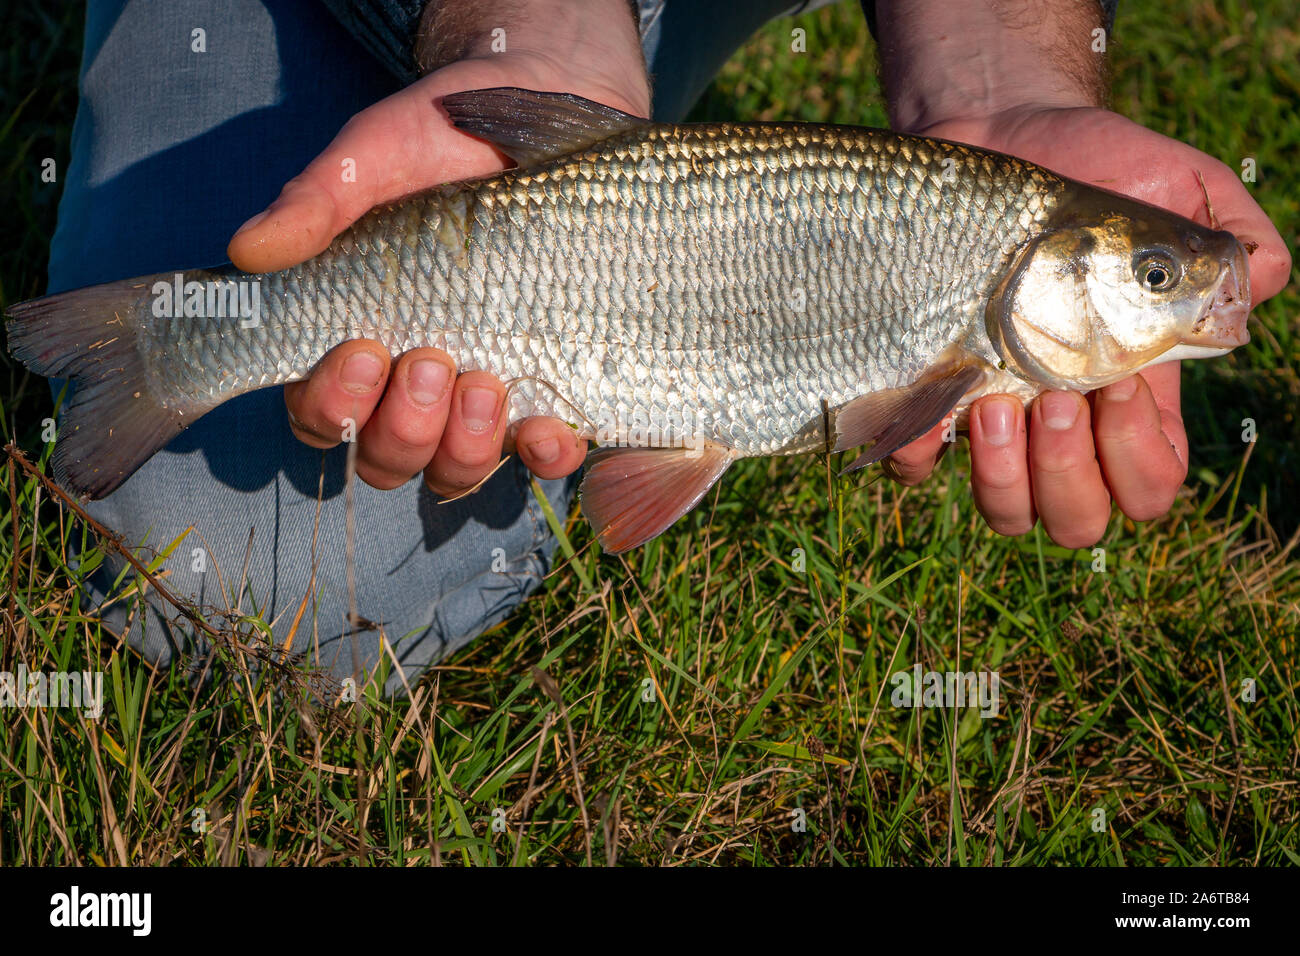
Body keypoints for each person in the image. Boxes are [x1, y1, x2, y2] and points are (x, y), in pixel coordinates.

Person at [48, 0, 1290, 692]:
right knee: (240, 571)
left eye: (1158, 273)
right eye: (1153, 276)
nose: (1187, 293)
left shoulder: (999, 240)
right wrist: (516, 28)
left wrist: (1001, 67)